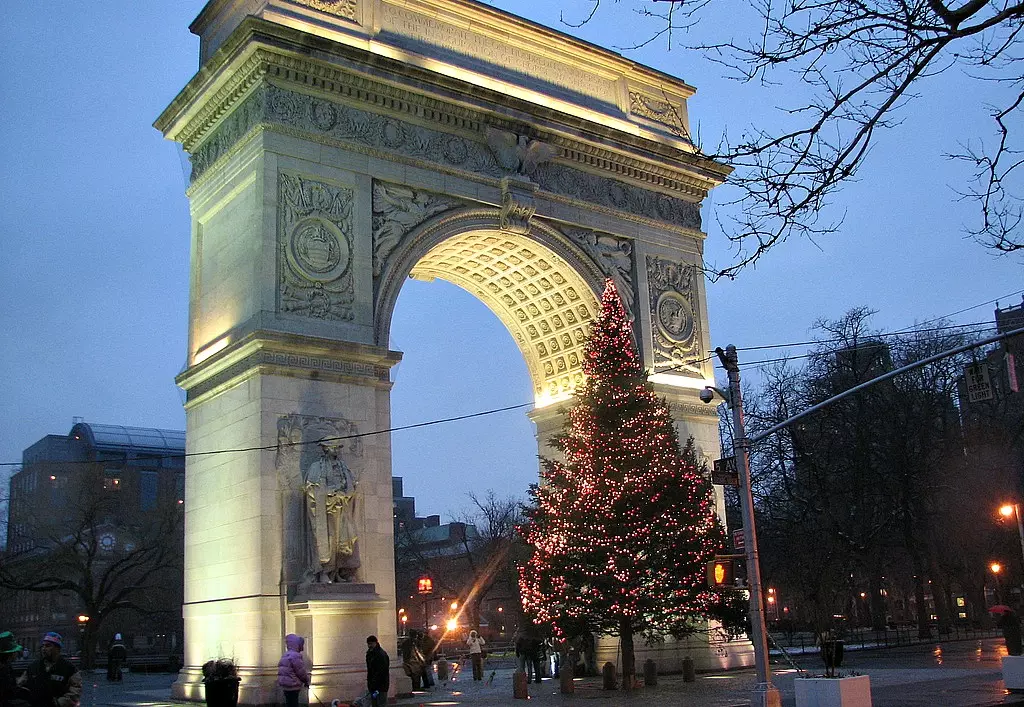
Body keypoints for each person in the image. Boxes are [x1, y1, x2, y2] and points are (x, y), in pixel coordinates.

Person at [18, 633, 81, 707]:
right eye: (43, 646)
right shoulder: (33, 667)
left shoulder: (69, 669)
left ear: (57, 648)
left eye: (48, 646)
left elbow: (75, 691)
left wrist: (59, 703)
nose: (44, 648)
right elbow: (21, 685)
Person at [277, 634, 310, 707]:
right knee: (294, 703)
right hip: (293, 685)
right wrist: (306, 681)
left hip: (285, 685)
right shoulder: (295, 656)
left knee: (289, 703)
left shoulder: (285, 655)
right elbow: (301, 672)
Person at [0, 632, 29, 707]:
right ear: (10, 653)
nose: (17, 653)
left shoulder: (6, 666)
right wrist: (20, 682)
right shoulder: (3, 669)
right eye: (15, 651)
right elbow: (8, 694)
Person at [364, 636, 389, 707]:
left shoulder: (381, 654)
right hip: (374, 685)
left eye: (371, 643)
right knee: (375, 703)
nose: (369, 645)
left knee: (381, 703)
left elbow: (383, 671)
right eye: (368, 644)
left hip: (380, 686)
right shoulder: (370, 654)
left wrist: (375, 683)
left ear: (375, 643)